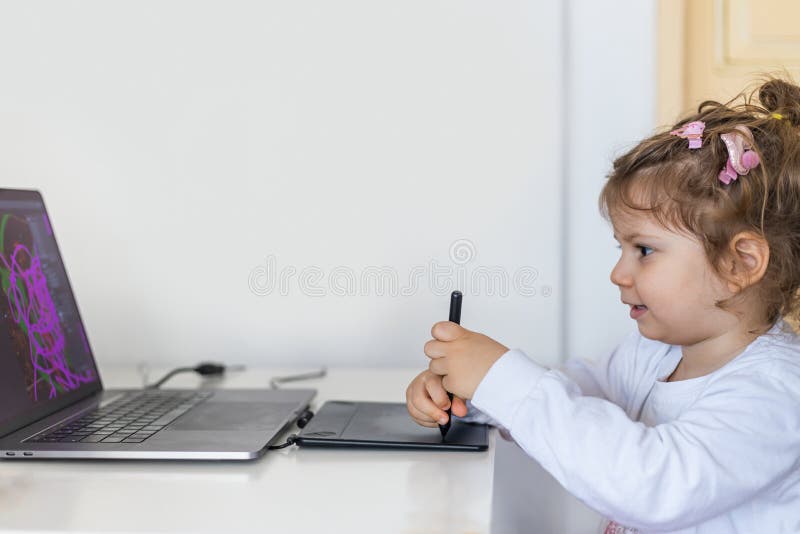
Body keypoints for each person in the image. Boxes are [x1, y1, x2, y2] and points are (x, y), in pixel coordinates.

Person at [406, 77, 800, 533]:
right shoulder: (653, 354)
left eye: (644, 251)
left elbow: (652, 485)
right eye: (621, 249)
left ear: (740, 262)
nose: (619, 273)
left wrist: (502, 379)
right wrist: (475, 393)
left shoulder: (776, 392)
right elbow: (571, 395)